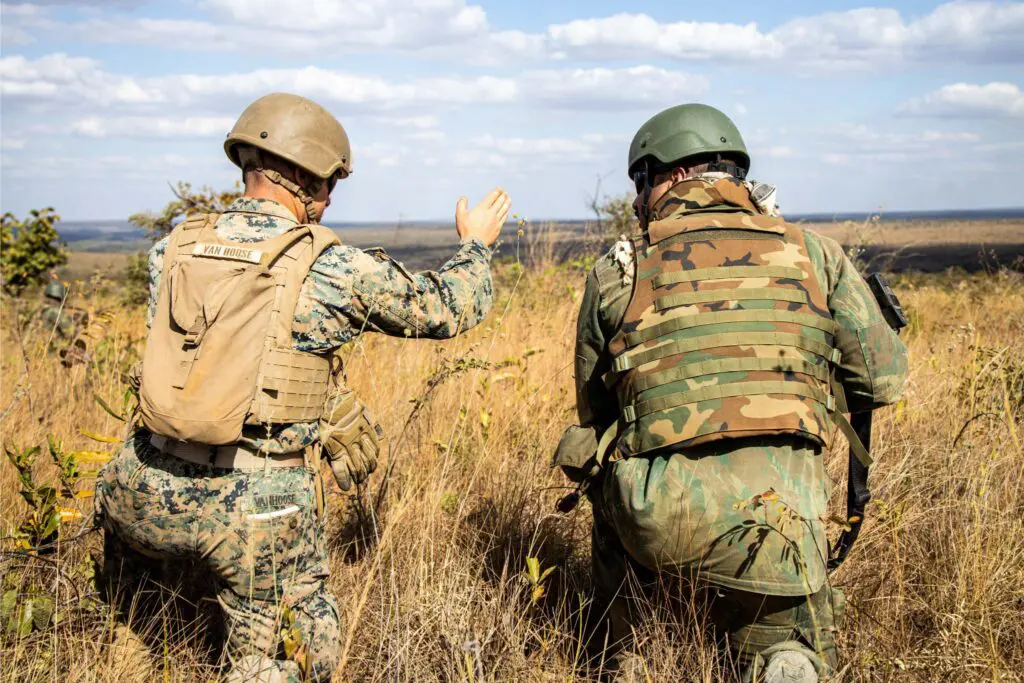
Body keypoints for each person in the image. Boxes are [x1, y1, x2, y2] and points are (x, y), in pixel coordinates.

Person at [94, 92, 511, 682]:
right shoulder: (326, 264)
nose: (329, 197)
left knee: (134, 636)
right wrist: (475, 245)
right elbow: (445, 308)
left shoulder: (174, 246)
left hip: (138, 487)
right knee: (294, 654)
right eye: (325, 181)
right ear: (297, 176)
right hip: (255, 505)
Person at [554, 103, 908, 681]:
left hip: (655, 522)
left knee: (604, 475)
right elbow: (883, 379)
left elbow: (594, 413)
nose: (639, 201)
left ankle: (626, 653)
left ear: (660, 176)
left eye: (639, 185)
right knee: (792, 651)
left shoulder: (615, 273)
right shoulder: (816, 254)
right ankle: (782, 655)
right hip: (782, 522)